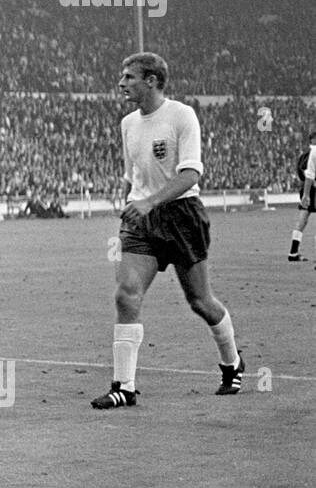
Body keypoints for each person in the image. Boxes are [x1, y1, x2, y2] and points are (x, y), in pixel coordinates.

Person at [92, 53, 245, 409]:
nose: (121, 83)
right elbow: (132, 176)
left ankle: (233, 362)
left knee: (200, 301)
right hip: (142, 222)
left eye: (128, 77)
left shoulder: (181, 115)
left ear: (152, 80)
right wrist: (129, 204)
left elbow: (191, 174)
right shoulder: (128, 123)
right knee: (126, 295)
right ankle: (124, 387)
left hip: (181, 217)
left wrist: (150, 202)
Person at [285, 130, 316, 261]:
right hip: (311, 188)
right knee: (302, 220)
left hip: (307, 189)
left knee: (302, 220)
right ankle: (293, 252)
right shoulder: (310, 154)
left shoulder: (306, 155)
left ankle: (293, 252)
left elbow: (300, 171)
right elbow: (305, 172)